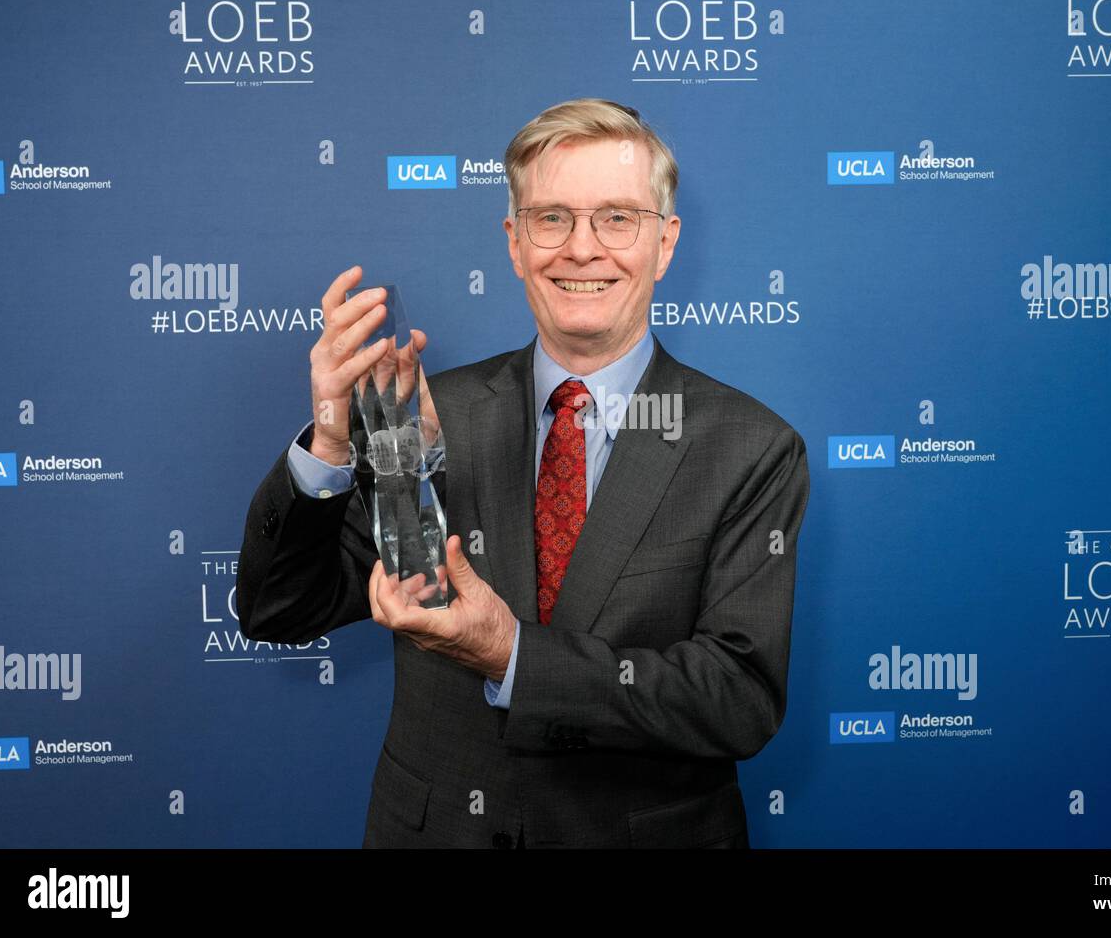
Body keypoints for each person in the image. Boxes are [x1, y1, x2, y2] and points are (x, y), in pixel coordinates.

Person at [236, 98, 810, 848]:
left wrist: (511, 654)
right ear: (514, 242)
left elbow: (737, 701)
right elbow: (281, 607)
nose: (581, 248)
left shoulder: (751, 447)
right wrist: (337, 440)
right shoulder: (427, 415)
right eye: (552, 218)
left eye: (617, 218)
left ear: (664, 244)